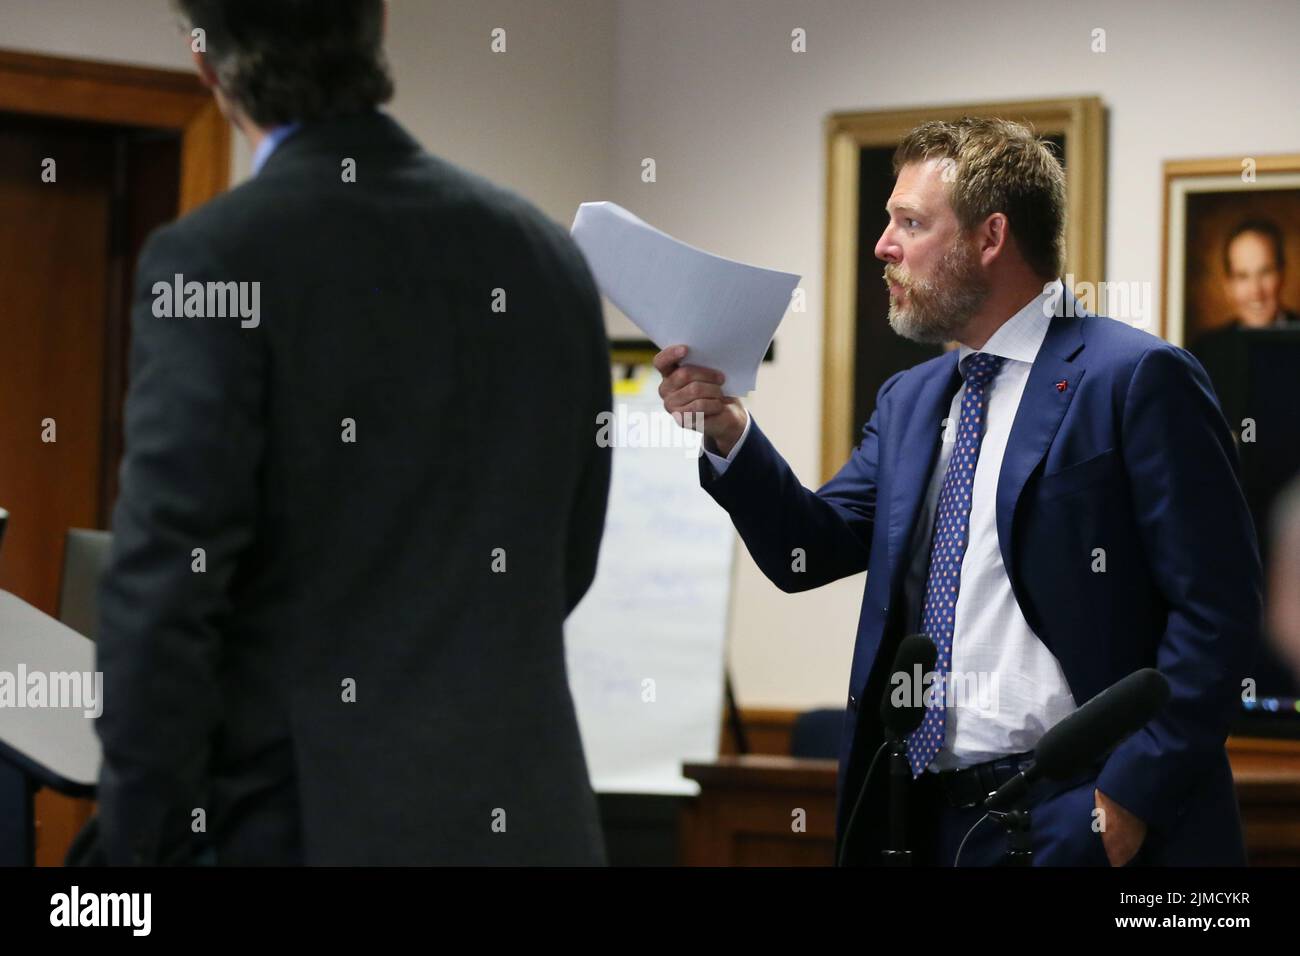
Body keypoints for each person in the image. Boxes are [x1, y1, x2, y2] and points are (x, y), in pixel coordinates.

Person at [87, 0, 611, 865]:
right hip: (534, 822)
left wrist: (139, 856)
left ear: (207, 65)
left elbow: (165, 594)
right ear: (377, 36)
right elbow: (568, 558)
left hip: (308, 826)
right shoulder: (545, 255)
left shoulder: (216, 257)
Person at [657, 117, 1261, 866]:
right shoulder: (912, 400)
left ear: (990, 237)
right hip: (925, 821)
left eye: (910, 222)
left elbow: (1218, 611)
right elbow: (805, 551)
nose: (883, 245)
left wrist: (1125, 800)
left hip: (1082, 817)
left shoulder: (1135, 378)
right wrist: (727, 429)